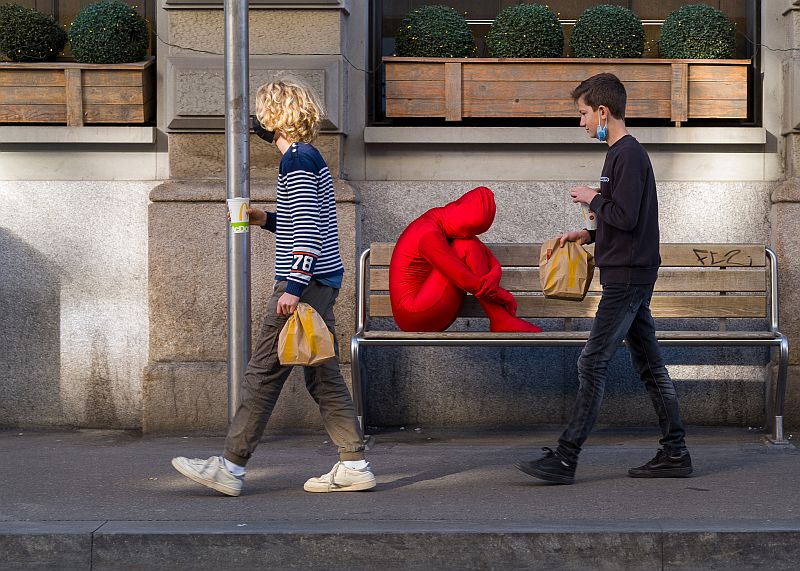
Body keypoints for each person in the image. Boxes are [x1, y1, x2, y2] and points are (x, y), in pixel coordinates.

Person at [171, 80, 375, 496]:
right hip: (321, 282)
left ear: (274, 116)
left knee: (262, 373)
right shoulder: (309, 157)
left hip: (303, 285)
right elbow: (307, 221)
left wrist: (292, 287)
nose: (256, 121)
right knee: (324, 378)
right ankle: (353, 464)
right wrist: (265, 218)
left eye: (261, 112)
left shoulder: (296, 160)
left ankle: (229, 467)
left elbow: (308, 230)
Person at [516, 73, 691, 485]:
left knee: (591, 362)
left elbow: (627, 217)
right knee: (650, 365)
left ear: (602, 112)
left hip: (628, 277)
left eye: (582, 114)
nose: (580, 123)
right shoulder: (619, 155)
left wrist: (591, 198)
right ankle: (676, 452)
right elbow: (623, 217)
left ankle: (565, 457)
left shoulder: (627, 155)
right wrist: (589, 234)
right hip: (629, 272)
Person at [389, 186, 542, 333]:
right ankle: (500, 318)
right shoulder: (427, 232)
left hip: (434, 308)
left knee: (470, 243)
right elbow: (461, 276)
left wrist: (496, 272)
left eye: (472, 232)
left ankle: (500, 318)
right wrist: (501, 295)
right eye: (465, 229)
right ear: (459, 210)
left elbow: (487, 255)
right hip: (414, 315)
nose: (465, 234)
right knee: (467, 245)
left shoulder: (443, 221)